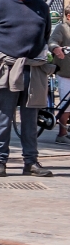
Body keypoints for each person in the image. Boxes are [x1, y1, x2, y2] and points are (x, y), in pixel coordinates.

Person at [0, 0, 54, 177]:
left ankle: (31, 162)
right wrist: (1, 56)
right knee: (4, 116)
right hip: (7, 68)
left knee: (30, 118)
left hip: (33, 68)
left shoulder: (41, 7)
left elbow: (46, 34)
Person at [48, 9, 70, 144]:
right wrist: (56, 48)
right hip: (66, 72)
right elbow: (52, 41)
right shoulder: (62, 28)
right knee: (66, 104)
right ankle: (62, 134)